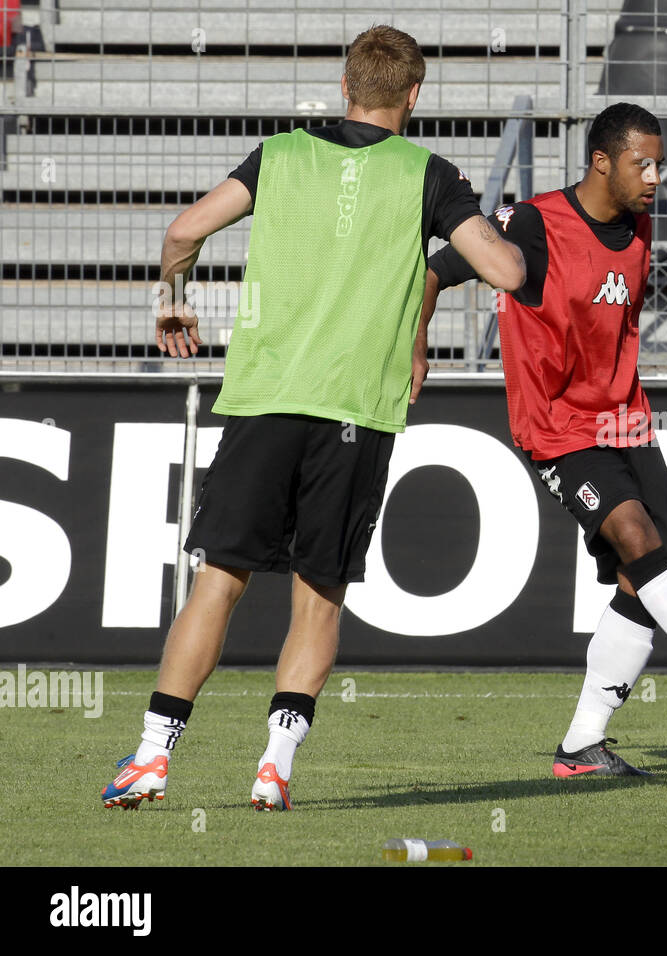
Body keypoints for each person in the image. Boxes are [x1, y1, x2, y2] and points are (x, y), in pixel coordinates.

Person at [101, 25, 526, 810]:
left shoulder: (280, 153)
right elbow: (506, 269)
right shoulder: (428, 174)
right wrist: (481, 222)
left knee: (218, 580)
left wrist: (173, 301)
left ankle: (151, 757)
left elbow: (184, 229)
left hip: (264, 399)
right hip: (354, 414)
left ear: (344, 86)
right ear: (414, 94)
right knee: (319, 593)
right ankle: (274, 766)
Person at [422, 102, 667, 777]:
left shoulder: (641, 227)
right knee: (638, 540)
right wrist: (416, 343)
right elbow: (441, 267)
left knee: (642, 577)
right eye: (642, 162)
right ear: (602, 161)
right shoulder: (532, 223)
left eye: (660, 163)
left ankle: (582, 745)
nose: (655, 176)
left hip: (627, 422)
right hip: (557, 427)